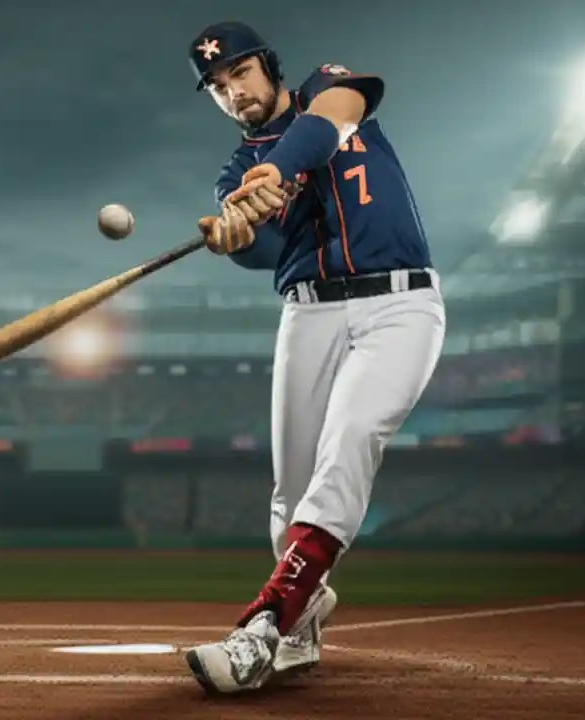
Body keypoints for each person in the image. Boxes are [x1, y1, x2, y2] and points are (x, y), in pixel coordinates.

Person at [180, 21, 446, 694]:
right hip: (308, 310)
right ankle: (303, 623)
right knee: (290, 491)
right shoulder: (234, 174)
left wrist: (283, 168)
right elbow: (264, 251)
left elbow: (333, 118)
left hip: (399, 303)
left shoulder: (324, 90)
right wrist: (238, 233)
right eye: (215, 85)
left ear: (268, 67)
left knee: (352, 440)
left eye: (239, 71)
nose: (230, 90)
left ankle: (263, 626)